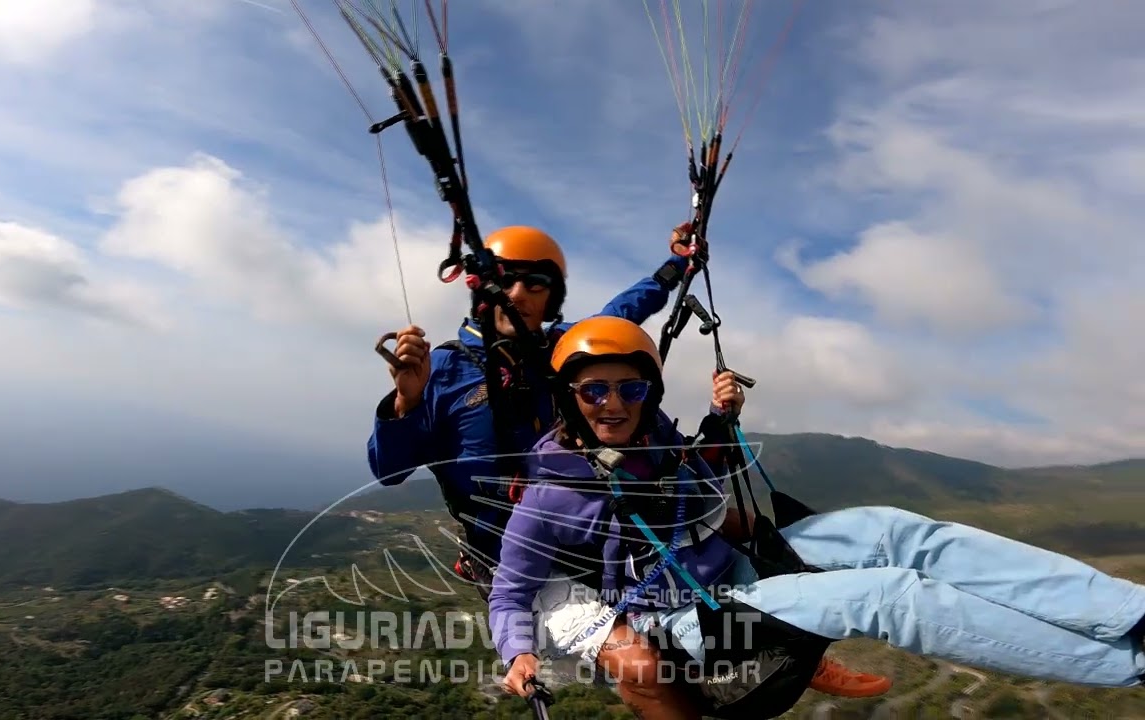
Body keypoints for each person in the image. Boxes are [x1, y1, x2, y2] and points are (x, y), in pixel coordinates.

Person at [489, 315, 1145, 719]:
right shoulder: (551, 492)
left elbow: (700, 480)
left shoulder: (651, 437)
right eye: (594, 390)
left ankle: (1127, 611)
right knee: (888, 595)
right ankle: (1127, 665)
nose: (613, 403)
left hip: (740, 567)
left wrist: (722, 420)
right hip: (694, 627)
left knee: (898, 531)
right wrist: (518, 652)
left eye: (629, 388)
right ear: (570, 399)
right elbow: (511, 588)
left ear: (649, 392)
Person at [367, 227, 891, 711]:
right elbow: (388, 471)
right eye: (506, 282)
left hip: (597, 521)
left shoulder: (561, 349)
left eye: (537, 283)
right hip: (527, 551)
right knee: (639, 663)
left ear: (552, 294)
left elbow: (625, 312)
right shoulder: (440, 374)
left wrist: (675, 266)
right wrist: (405, 406)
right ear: (480, 290)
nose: (520, 294)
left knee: (744, 529)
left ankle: (796, 651)